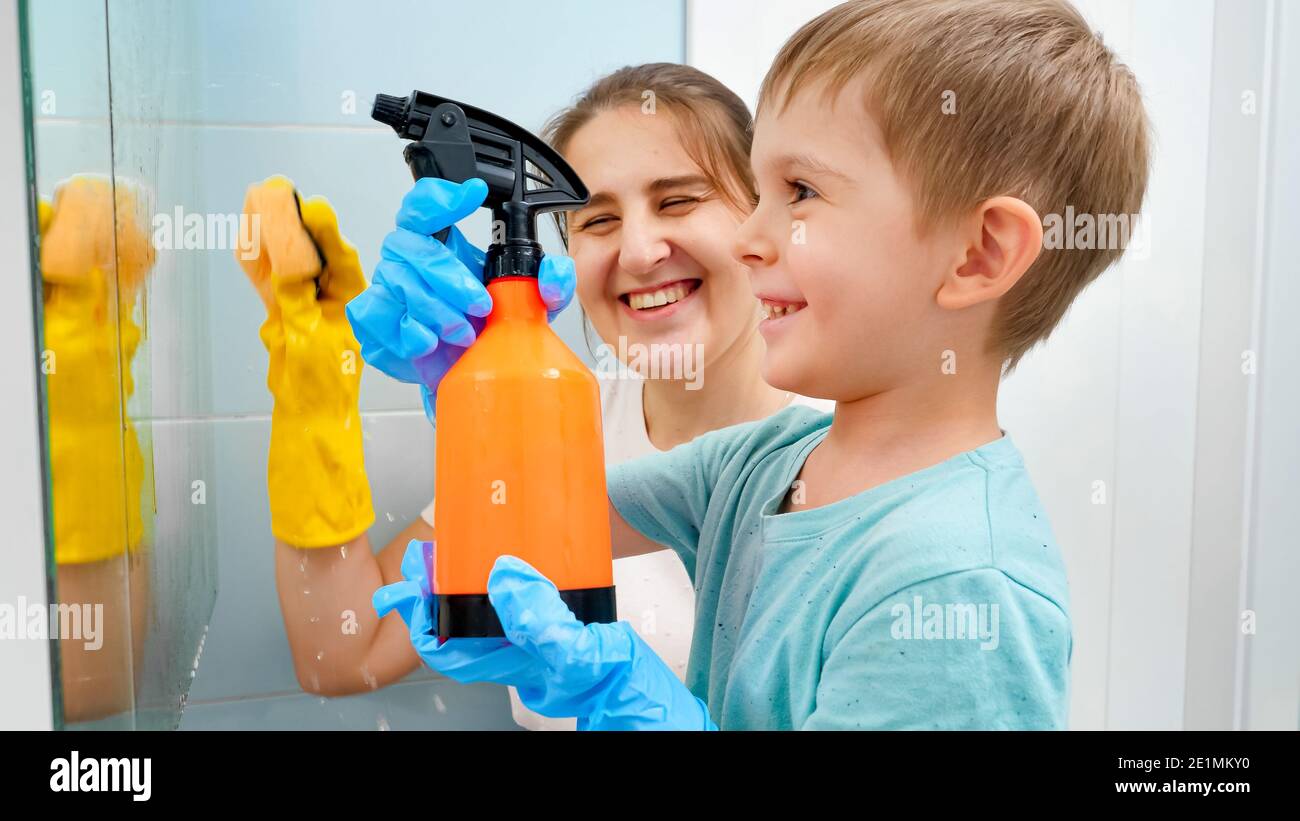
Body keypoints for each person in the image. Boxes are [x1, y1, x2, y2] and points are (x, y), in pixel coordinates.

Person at [365, 0, 1149, 729]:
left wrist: (632, 703)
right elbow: (541, 526)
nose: (747, 239)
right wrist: (480, 380)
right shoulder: (755, 468)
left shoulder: (957, 588)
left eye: (799, 191)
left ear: (977, 254)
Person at [241, 65, 830, 725]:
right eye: (597, 219)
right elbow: (342, 652)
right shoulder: (548, 418)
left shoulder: (848, 449)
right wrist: (314, 392)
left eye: (678, 200)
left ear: (759, 220)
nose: (638, 251)